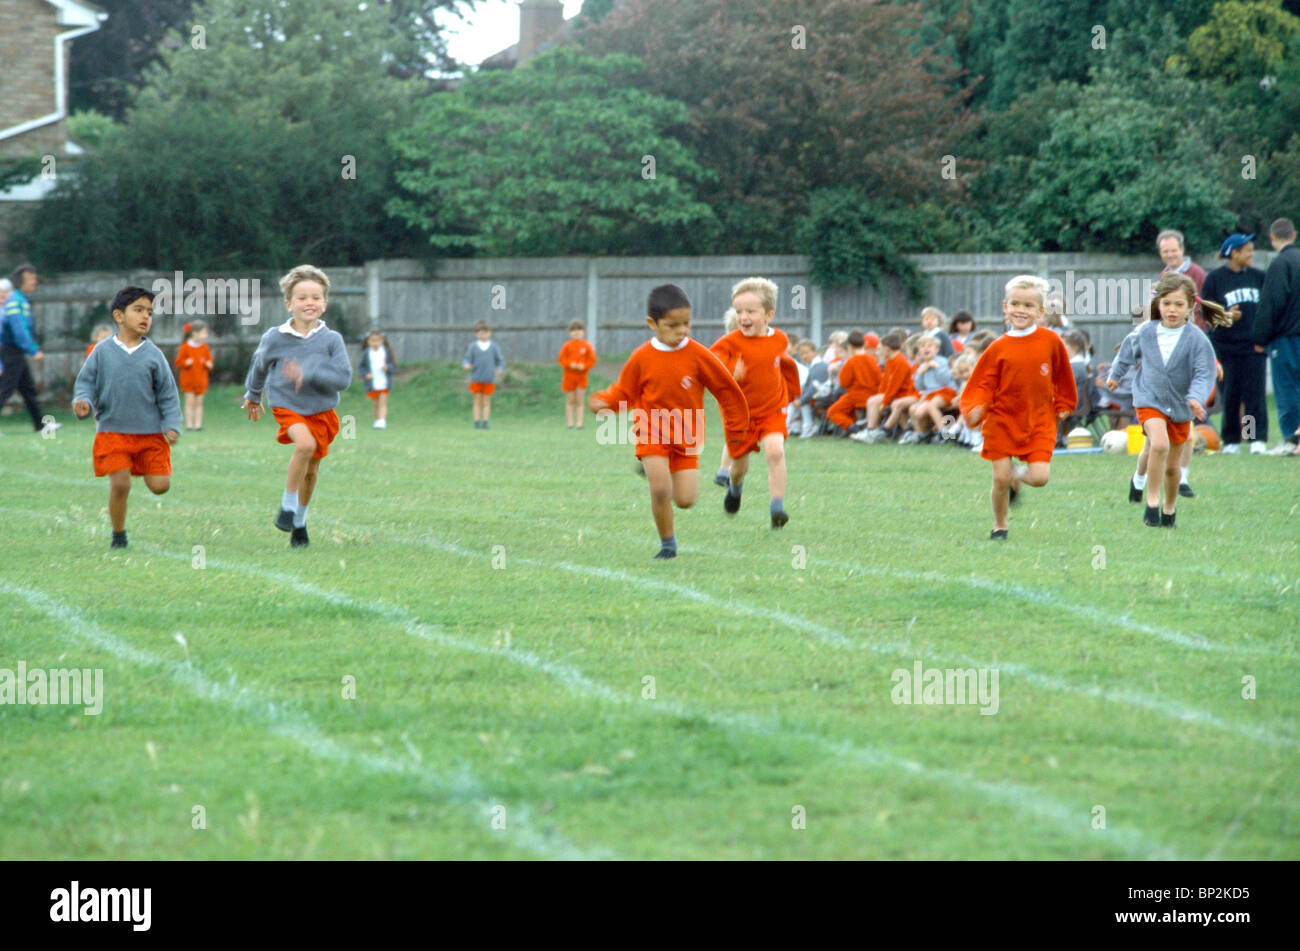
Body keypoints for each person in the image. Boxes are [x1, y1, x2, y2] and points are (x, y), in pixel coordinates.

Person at [590, 284, 749, 558]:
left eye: (686, 323)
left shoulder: (699, 355)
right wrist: (605, 403)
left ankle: (660, 471)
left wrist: (738, 428)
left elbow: (726, 390)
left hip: (687, 435)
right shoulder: (642, 357)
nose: (682, 331)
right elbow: (625, 392)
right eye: (672, 325)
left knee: (685, 500)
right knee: (661, 489)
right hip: (651, 430)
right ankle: (667, 545)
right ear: (652, 324)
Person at [242, 265, 352, 549]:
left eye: (315, 297)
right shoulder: (274, 337)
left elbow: (343, 379)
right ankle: (287, 506)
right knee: (303, 445)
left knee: (312, 469)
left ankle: (300, 523)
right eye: (302, 297)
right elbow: (260, 365)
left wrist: (309, 373)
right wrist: (253, 394)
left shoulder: (332, 340)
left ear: (324, 304)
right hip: (287, 405)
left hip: (322, 411)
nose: (309, 303)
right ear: (289, 303)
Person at [959, 275, 1077, 540]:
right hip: (1002, 420)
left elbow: (1063, 377)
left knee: (1039, 477)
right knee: (999, 479)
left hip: (1039, 420)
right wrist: (975, 408)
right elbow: (982, 384)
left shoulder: (1051, 341)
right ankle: (1000, 525)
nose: (1021, 310)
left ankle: (1017, 477)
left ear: (1040, 311)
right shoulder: (997, 348)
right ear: (1005, 306)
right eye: (1015, 304)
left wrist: (1065, 403)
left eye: (1028, 306)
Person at [1107, 272, 1223, 528]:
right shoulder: (1146, 332)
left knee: (1172, 468)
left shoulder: (1197, 340)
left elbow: (1205, 374)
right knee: (1158, 444)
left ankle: (1169, 508)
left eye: (1178, 304)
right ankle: (1151, 503)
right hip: (1148, 398)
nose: (1172, 310)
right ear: (1158, 304)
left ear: (1191, 306)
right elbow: (1127, 351)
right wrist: (1116, 374)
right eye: (1167, 303)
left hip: (1181, 408)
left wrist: (1195, 399)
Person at [71, 286, 182, 549]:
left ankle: (140, 463)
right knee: (120, 484)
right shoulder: (102, 351)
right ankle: (118, 535)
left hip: (150, 434)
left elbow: (168, 393)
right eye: (139, 310)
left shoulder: (154, 355)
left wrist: (172, 425)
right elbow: (85, 382)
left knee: (160, 486)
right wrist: (82, 401)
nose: (146, 317)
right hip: (113, 432)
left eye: (150, 312)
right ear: (119, 316)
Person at [709, 277, 800, 528]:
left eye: (751, 311)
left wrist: (792, 391)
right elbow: (712, 365)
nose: (743, 317)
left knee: (775, 451)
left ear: (768, 315)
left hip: (772, 410)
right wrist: (730, 371)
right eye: (739, 311)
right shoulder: (729, 343)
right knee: (739, 468)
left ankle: (777, 508)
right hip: (741, 415)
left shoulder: (779, 339)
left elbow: (783, 365)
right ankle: (735, 490)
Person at [1201, 233, 1266, 453]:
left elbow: (1268, 310)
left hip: (1253, 347)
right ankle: (1231, 441)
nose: (1251, 254)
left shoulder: (1259, 277)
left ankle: (1254, 438)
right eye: (1247, 250)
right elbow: (1207, 315)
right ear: (1234, 253)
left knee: (1253, 395)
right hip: (1225, 348)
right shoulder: (1215, 279)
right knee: (1230, 395)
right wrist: (1226, 316)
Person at [1253, 218, 1300, 453]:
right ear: (1295, 235)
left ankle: (1292, 440)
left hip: (1287, 339)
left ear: (1272, 238)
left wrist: (1260, 338)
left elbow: (1272, 302)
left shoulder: (1281, 264)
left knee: (1287, 388)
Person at [0, 265, 57, 433]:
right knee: (5, 389)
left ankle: (40, 425)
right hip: (12, 351)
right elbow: (19, 330)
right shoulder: (16, 302)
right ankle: (40, 424)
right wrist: (33, 350)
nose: (35, 281)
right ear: (21, 282)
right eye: (31, 279)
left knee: (28, 389)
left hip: (15, 351)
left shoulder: (20, 299)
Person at [825, 330, 881, 436]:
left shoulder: (850, 362)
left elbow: (843, 383)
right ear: (864, 344)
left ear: (849, 346)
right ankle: (858, 425)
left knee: (832, 412)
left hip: (855, 395)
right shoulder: (873, 360)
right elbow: (879, 379)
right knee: (846, 407)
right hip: (873, 394)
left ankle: (853, 427)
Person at [906, 334, 958, 442]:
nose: (926, 348)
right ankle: (922, 434)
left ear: (937, 349)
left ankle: (944, 433)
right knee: (913, 409)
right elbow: (919, 386)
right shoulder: (922, 365)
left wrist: (936, 368)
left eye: (929, 346)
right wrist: (920, 373)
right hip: (930, 394)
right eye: (923, 346)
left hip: (946, 391)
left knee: (931, 405)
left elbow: (946, 380)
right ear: (919, 351)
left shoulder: (942, 362)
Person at [463, 320, 504, 429]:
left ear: (489, 333)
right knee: (477, 400)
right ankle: (476, 422)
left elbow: (499, 360)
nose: (483, 335)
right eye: (480, 333)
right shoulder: (473, 347)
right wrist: (467, 365)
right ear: (476, 334)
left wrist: (500, 369)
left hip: (489, 379)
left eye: (485, 333)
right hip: (476, 378)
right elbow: (467, 360)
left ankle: (485, 422)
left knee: (486, 401)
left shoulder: (494, 347)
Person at [557, 320, 597, 430]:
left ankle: (579, 424)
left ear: (583, 332)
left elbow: (592, 360)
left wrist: (583, 366)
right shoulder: (567, 346)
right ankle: (570, 424)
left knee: (579, 400)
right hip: (569, 376)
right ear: (570, 333)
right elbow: (561, 360)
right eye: (573, 330)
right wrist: (570, 364)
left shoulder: (587, 346)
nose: (576, 332)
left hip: (582, 377)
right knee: (570, 400)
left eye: (579, 330)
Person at [175, 320, 214, 431]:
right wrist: (185, 362)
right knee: (190, 402)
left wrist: (208, 364)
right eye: (203, 333)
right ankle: (189, 425)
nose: (205, 336)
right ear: (194, 333)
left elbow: (210, 362)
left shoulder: (204, 348)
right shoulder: (185, 347)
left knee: (199, 403)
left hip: (201, 380)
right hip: (188, 381)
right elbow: (178, 362)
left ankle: (198, 425)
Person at [359, 330, 396, 429]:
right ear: (368, 341)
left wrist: (387, 368)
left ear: (382, 341)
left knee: (382, 402)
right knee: (375, 403)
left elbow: (393, 366)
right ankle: (377, 421)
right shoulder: (366, 353)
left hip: (384, 382)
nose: (375, 343)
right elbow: (361, 367)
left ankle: (382, 421)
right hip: (372, 384)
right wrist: (366, 374)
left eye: (377, 340)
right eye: (372, 340)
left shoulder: (386, 352)